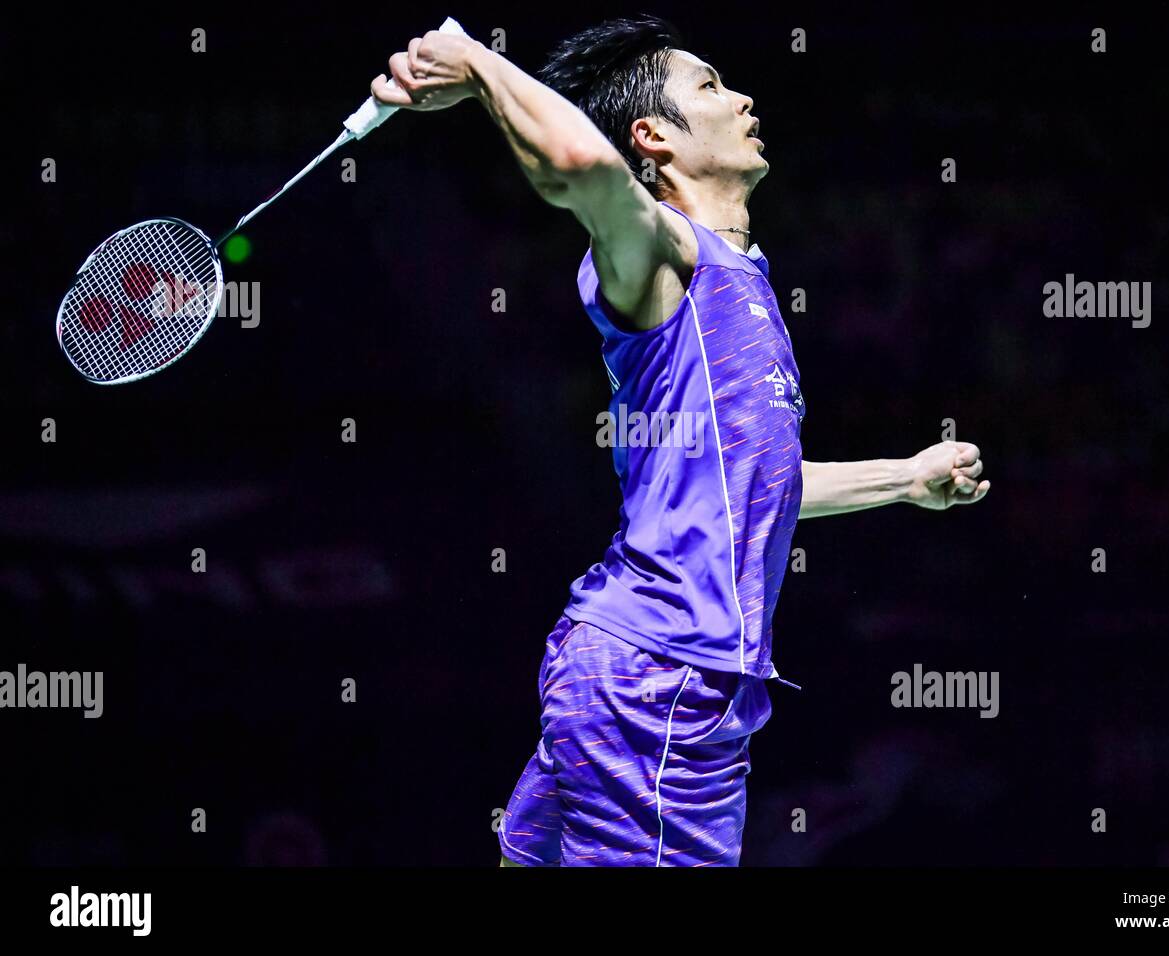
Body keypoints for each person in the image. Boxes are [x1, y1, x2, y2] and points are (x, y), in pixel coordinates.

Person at [371, 14, 990, 866]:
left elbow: (750, 487)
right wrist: (477, 61)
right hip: (666, 681)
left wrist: (907, 478)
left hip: (624, 664)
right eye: (708, 85)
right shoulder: (666, 254)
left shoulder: (743, 284)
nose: (740, 97)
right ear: (653, 137)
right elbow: (582, 168)